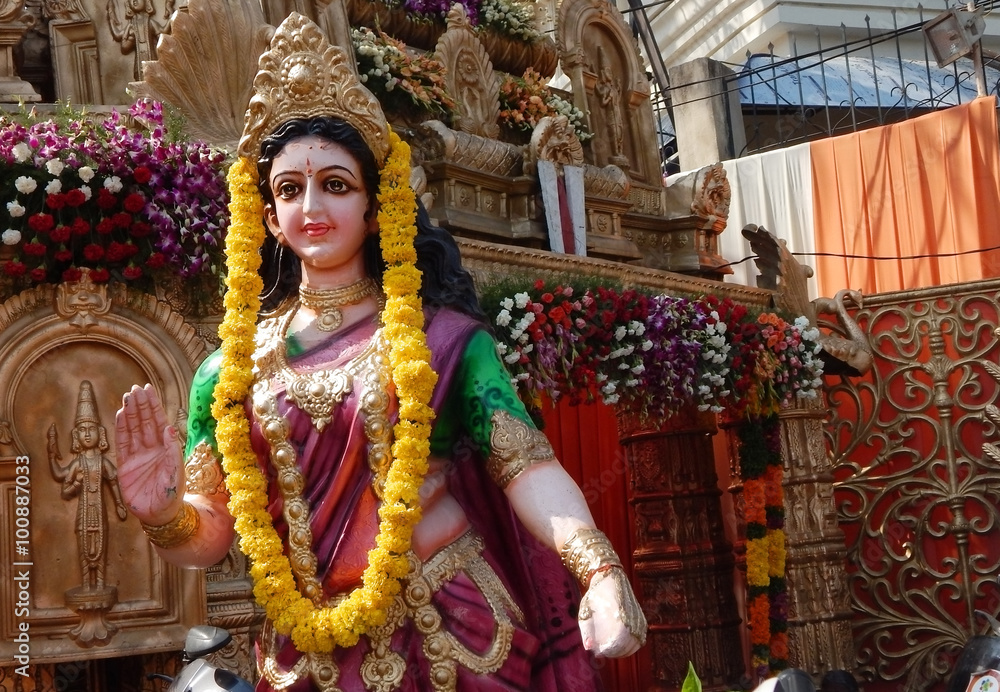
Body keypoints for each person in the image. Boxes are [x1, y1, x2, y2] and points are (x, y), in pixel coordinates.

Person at [115, 14, 645, 692]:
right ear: (268, 217)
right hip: (303, 657)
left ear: (374, 204)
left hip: (451, 637)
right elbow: (212, 533)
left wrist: (598, 567)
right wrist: (163, 513)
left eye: (335, 184)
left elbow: (527, 468)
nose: (312, 205)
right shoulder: (228, 374)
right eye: (288, 188)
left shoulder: (442, 344)